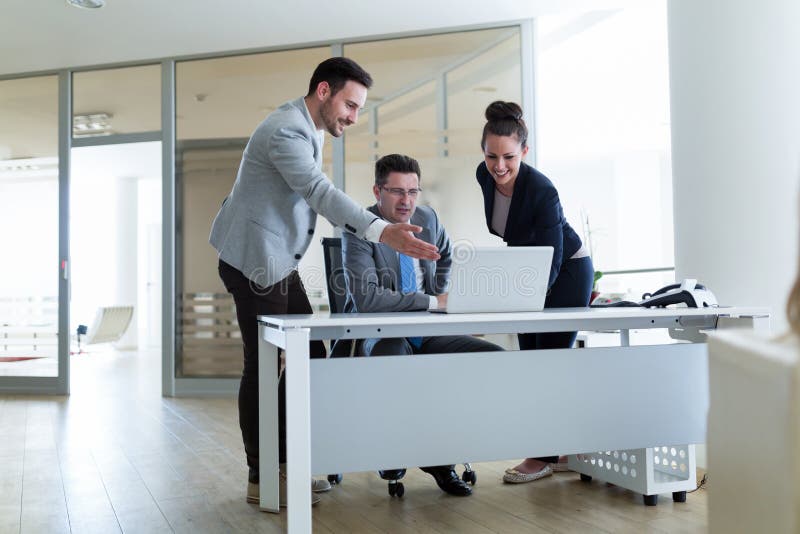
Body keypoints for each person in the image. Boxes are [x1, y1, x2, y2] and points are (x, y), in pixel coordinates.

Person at [209, 57, 441, 508]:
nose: (353, 117)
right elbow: (318, 192)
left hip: (276, 259)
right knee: (264, 363)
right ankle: (264, 475)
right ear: (323, 92)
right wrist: (379, 229)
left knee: (310, 352)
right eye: (350, 105)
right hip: (254, 259)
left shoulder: (306, 126)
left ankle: (287, 460)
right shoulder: (286, 130)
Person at [341, 153, 504, 497]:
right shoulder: (358, 228)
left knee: (491, 358)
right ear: (377, 191)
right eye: (397, 192)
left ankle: (437, 451)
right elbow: (369, 300)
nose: (407, 201)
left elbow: (445, 256)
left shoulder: (428, 218)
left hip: (428, 331)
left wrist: (439, 293)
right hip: (381, 333)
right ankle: (413, 453)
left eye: (413, 191)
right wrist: (432, 302)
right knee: (400, 365)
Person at [475, 101, 594, 484]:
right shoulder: (483, 175)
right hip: (526, 267)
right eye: (492, 155)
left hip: (567, 271)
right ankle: (557, 449)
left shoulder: (542, 190)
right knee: (531, 359)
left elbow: (553, 259)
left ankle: (541, 455)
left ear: (524, 152)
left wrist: (523, 298)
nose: (499, 166)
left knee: (548, 360)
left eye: (509, 156)